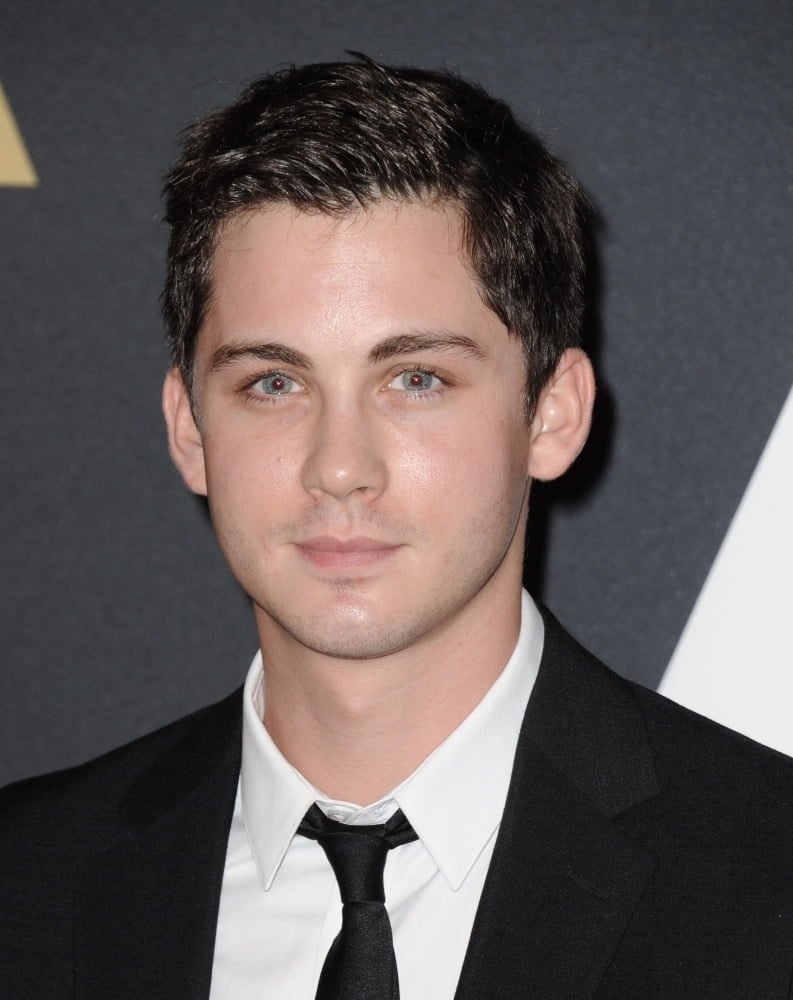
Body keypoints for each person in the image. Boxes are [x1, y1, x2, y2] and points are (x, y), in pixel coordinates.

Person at [2, 57, 793, 1000]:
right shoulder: (26, 883)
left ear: (551, 413)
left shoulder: (764, 873)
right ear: (189, 430)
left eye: (415, 378)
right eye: (273, 383)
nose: (339, 466)